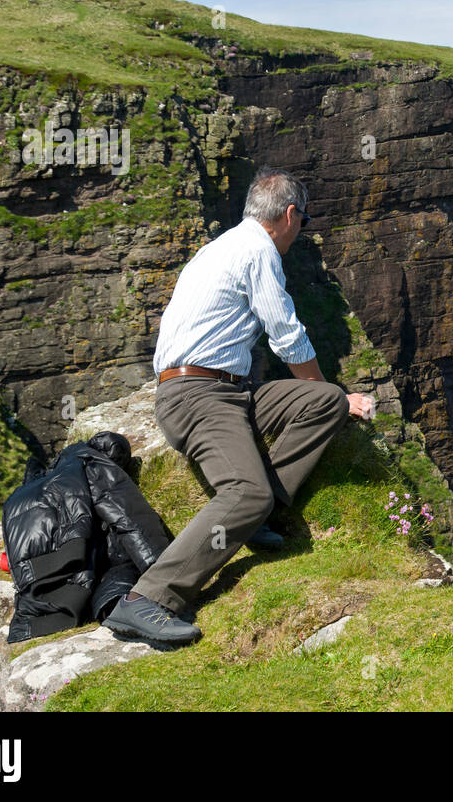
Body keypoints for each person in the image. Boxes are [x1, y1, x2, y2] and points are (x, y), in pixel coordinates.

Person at [104, 168, 375, 645]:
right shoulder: (257, 250)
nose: (301, 230)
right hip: (197, 397)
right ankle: (147, 598)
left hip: (229, 390)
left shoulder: (223, 246)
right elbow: (284, 331)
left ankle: (260, 517)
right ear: (290, 214)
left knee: (325, 401)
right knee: (245, 492)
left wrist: (332, 393)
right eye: (304, 221)